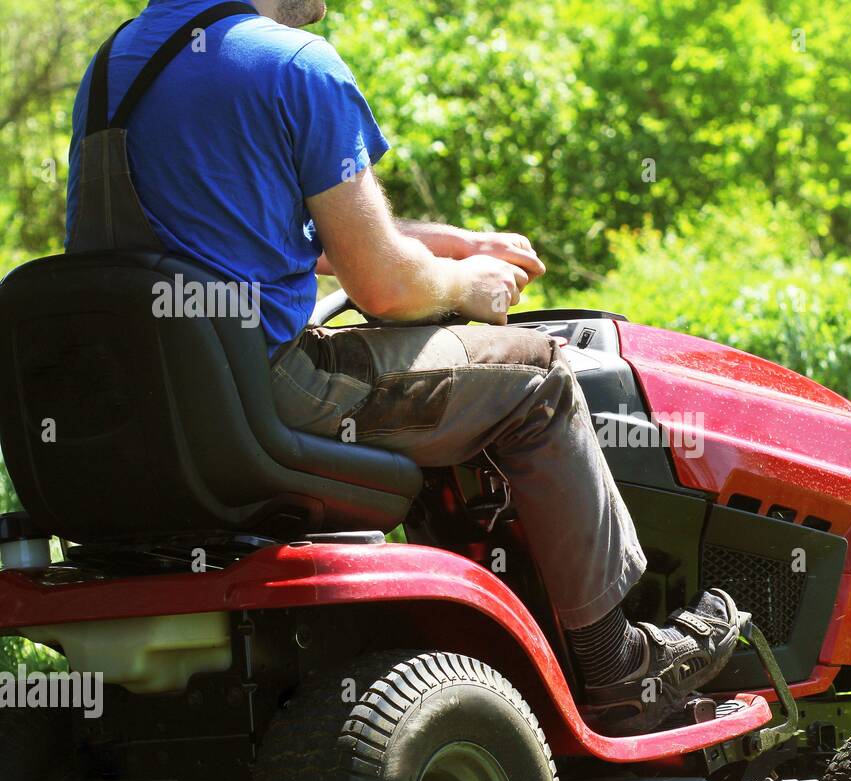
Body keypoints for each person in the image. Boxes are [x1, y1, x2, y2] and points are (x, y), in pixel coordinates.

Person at [65, 0, 741, 734]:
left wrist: (455, 241)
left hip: (140, 414)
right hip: (267, 391)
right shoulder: (295, 66)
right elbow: (385, 289)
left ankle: (488, 647)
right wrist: (466, 285)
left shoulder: (117, 67)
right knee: (540, 377)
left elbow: (255, 233)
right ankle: (619, 670)